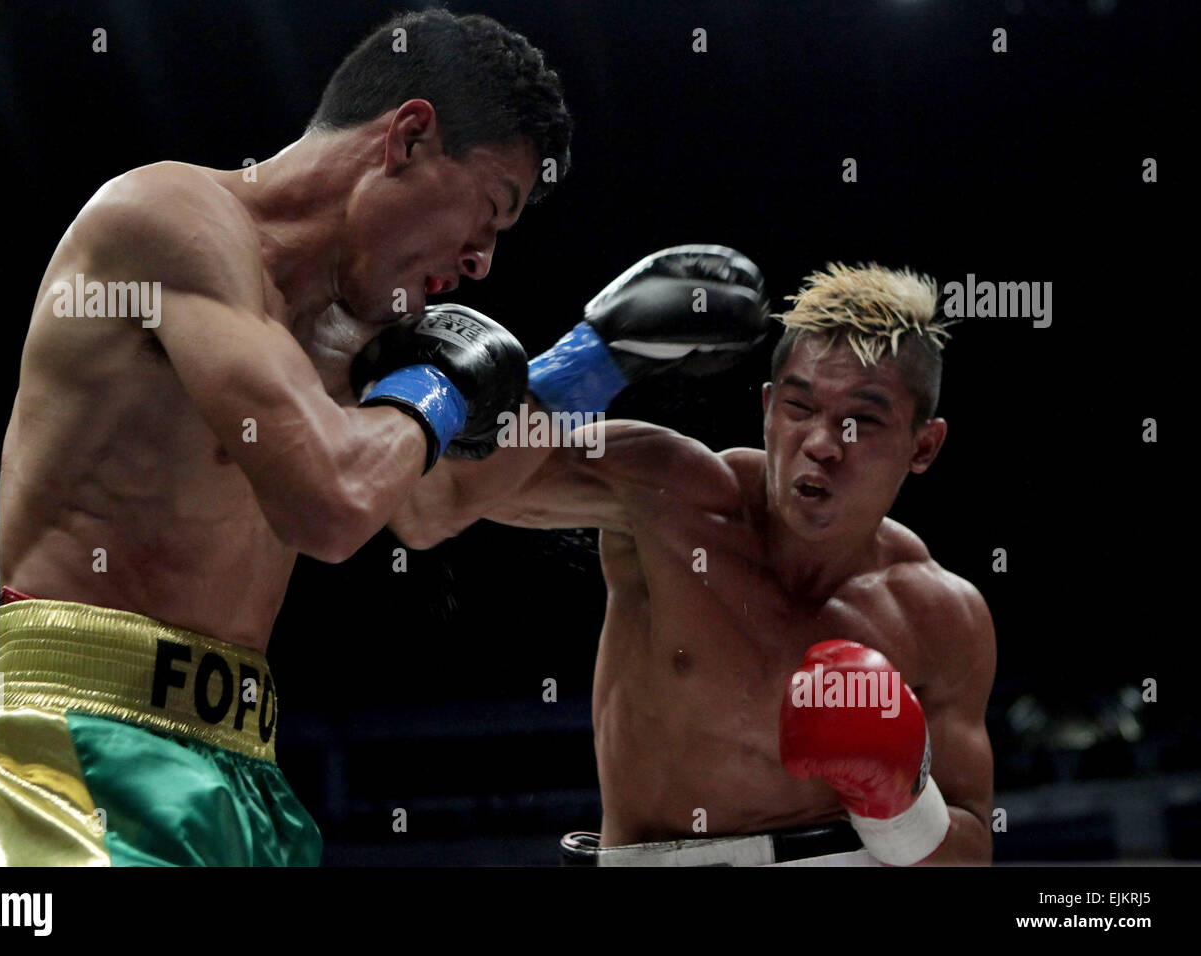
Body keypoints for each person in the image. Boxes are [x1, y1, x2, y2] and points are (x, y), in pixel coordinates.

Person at [0, 9, 571, 867]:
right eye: (491, 211)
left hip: (247, 779)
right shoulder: (166, 220)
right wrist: (442, 385)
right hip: (74, 764)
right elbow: (333, 503)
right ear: (410, 137)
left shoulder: (347, 333)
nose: (483, 261)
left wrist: (596, 356)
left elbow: (431, 501)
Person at [389, 253, 996, 865]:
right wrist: (590, 358)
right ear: (766, 407)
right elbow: (438, 494)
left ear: (924, 445)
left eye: (862, 420)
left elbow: (970, 851)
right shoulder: (670, 495)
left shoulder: (939, 614)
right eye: (799, 407)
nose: (820, 445)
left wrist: (899, 803)